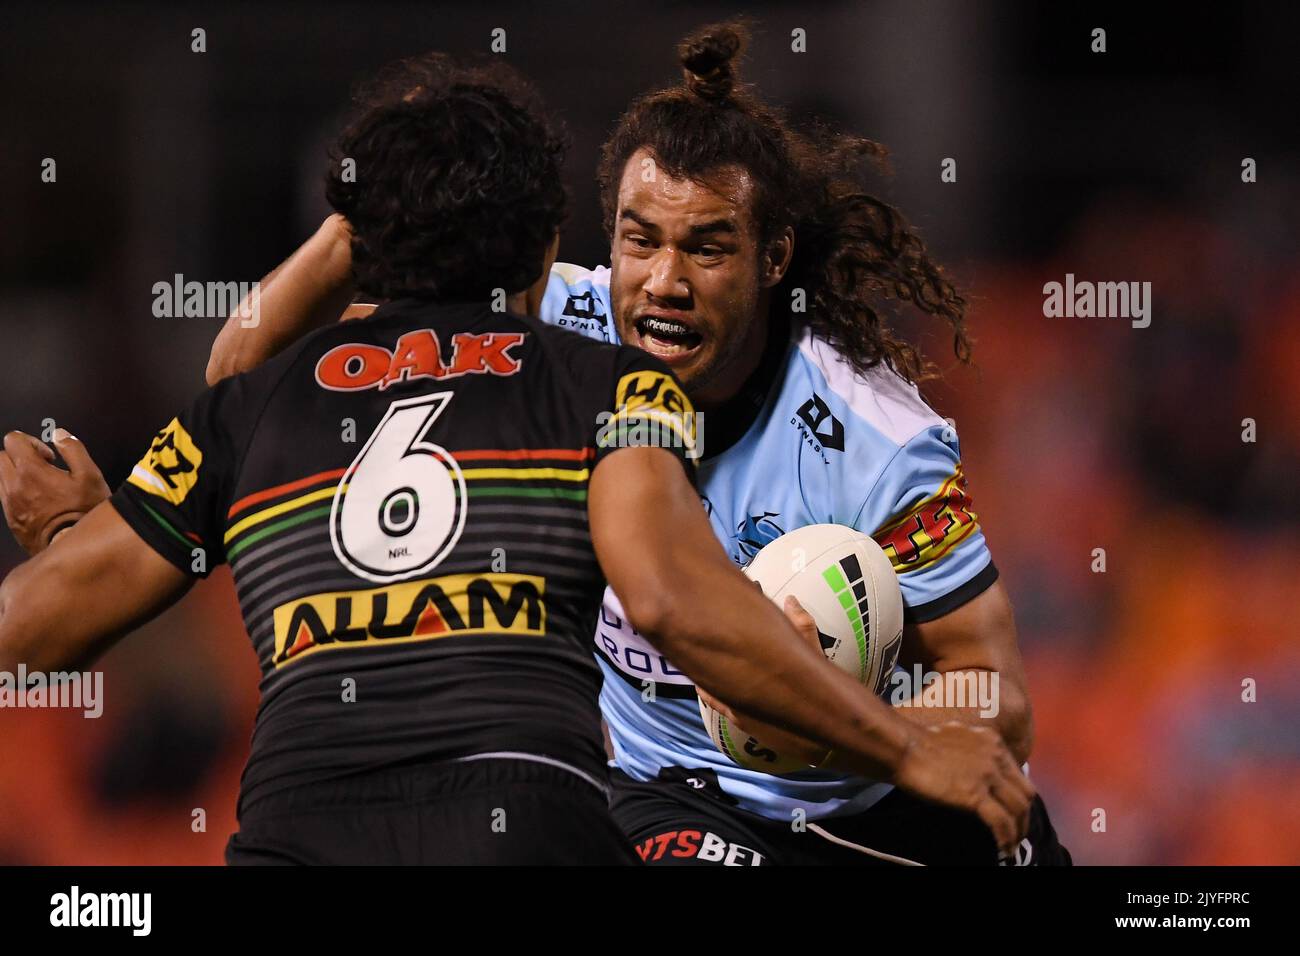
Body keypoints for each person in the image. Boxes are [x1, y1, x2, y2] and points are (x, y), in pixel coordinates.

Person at [0, 52, 1033, 865]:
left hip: (829, 795)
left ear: (772, 259)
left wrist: (894, 717)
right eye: (636, 239)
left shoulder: (877, 437)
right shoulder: (589, 359)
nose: (661, 281)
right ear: (569, 248)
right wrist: (375, 207)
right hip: (615, 807)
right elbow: (670, 597)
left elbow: (996, 695)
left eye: (705, 247)